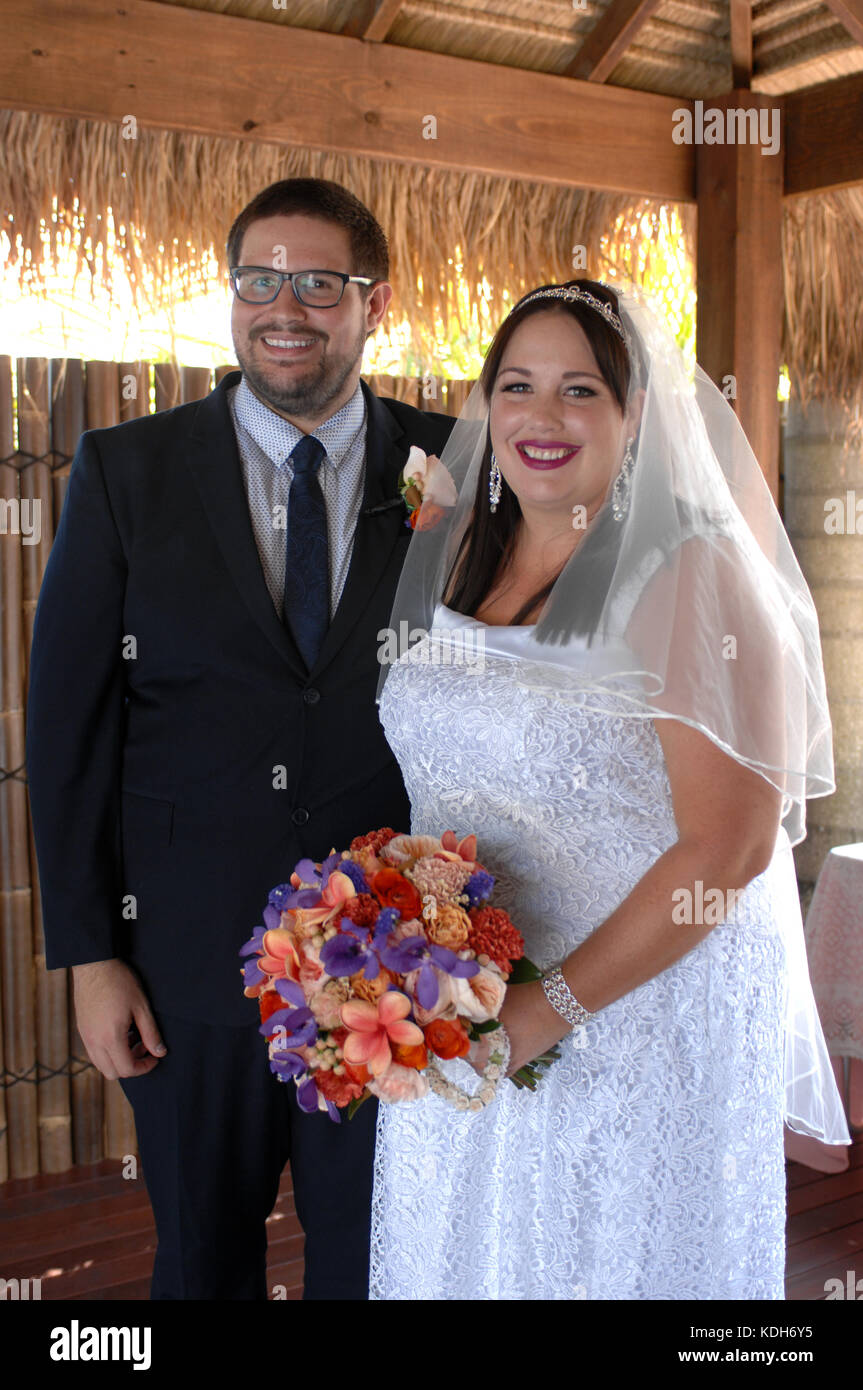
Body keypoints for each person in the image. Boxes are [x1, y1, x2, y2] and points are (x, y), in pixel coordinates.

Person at [369, 279, 850, 1300]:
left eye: (579, 389)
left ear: (637, 419)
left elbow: (728, 848)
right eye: (516, 384)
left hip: (624, 1023)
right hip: (458, 1006)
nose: (541, 417)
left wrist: (545, 1012)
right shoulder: (459, 550)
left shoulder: (689, 573)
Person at [25, 178, 455, 1299]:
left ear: (377, 302)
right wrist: (89, 953)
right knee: (201, 1266)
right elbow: (69, 728)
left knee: (374, 1264)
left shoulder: (457, 469)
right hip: (180, 964)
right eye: (259, 279)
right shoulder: (127, 471)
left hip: (392, 970)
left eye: (320, 282)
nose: (286, 307)